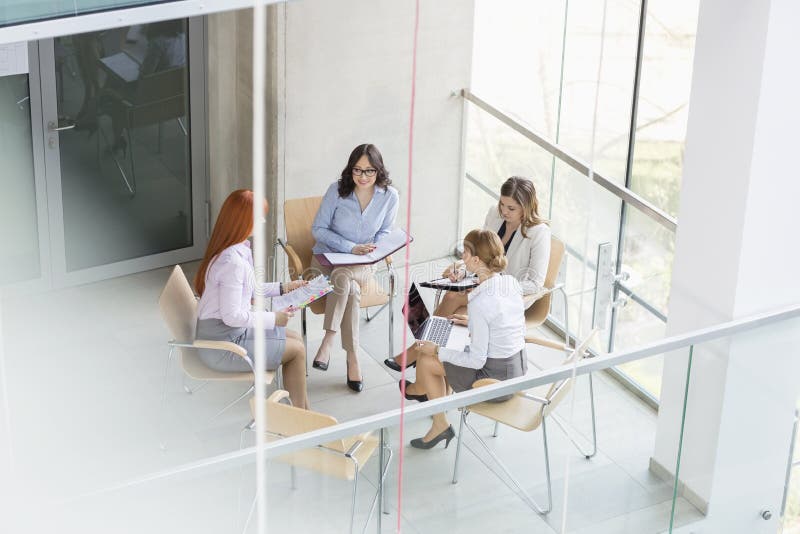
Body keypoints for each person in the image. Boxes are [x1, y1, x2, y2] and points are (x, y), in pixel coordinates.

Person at [384, 176, 549, 372]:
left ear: (526, 207)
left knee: (455, 303)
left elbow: (535, 283)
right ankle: (425, 358)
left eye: (511, 208)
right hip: (482, 285)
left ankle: (417, 352)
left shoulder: (539, 233)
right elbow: (479, 253)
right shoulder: (494, 215)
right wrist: (461, 269)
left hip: (509, 296)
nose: (504, 211)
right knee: (454, 302)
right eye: (502, 204)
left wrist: (492, 283)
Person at [399, 229, 527, 449]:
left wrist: (437, 351)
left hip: (495, 383)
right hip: (518, 371)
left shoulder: (480, 304)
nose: (462, 257)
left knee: (428, 359)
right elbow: (503, 321)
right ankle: (422, 392)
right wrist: (472, 324)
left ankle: (437, 419)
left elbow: (477, 361)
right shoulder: (511, 283)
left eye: (465, 253)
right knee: (447, 342)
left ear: (477, 260)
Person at [194, 189, 309, 409]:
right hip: (223, 345)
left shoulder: (235, 249)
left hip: (227, 333)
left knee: (294, 338)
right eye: (259, 216)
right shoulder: (233, 264)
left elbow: (250, 289)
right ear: (243, 221)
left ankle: (302, 415)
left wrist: (285, 287)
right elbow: (233, 316)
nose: (263, 220)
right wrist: (273, 318)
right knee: (296, 351)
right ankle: (302, 416)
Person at [309, 144, 399, 392]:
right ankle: (353, 357)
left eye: (369, 171)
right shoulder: (337, 191)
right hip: (325, 262)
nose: (362, 177)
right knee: (347, 285)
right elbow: (318, 229)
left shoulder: (390, 196)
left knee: (346, 277)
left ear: (378, 171)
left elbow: (385, 231)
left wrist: (371, 248)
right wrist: (350, 247)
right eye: (357, 170)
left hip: (362, 265)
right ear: (350, 170)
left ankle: (328, 339)